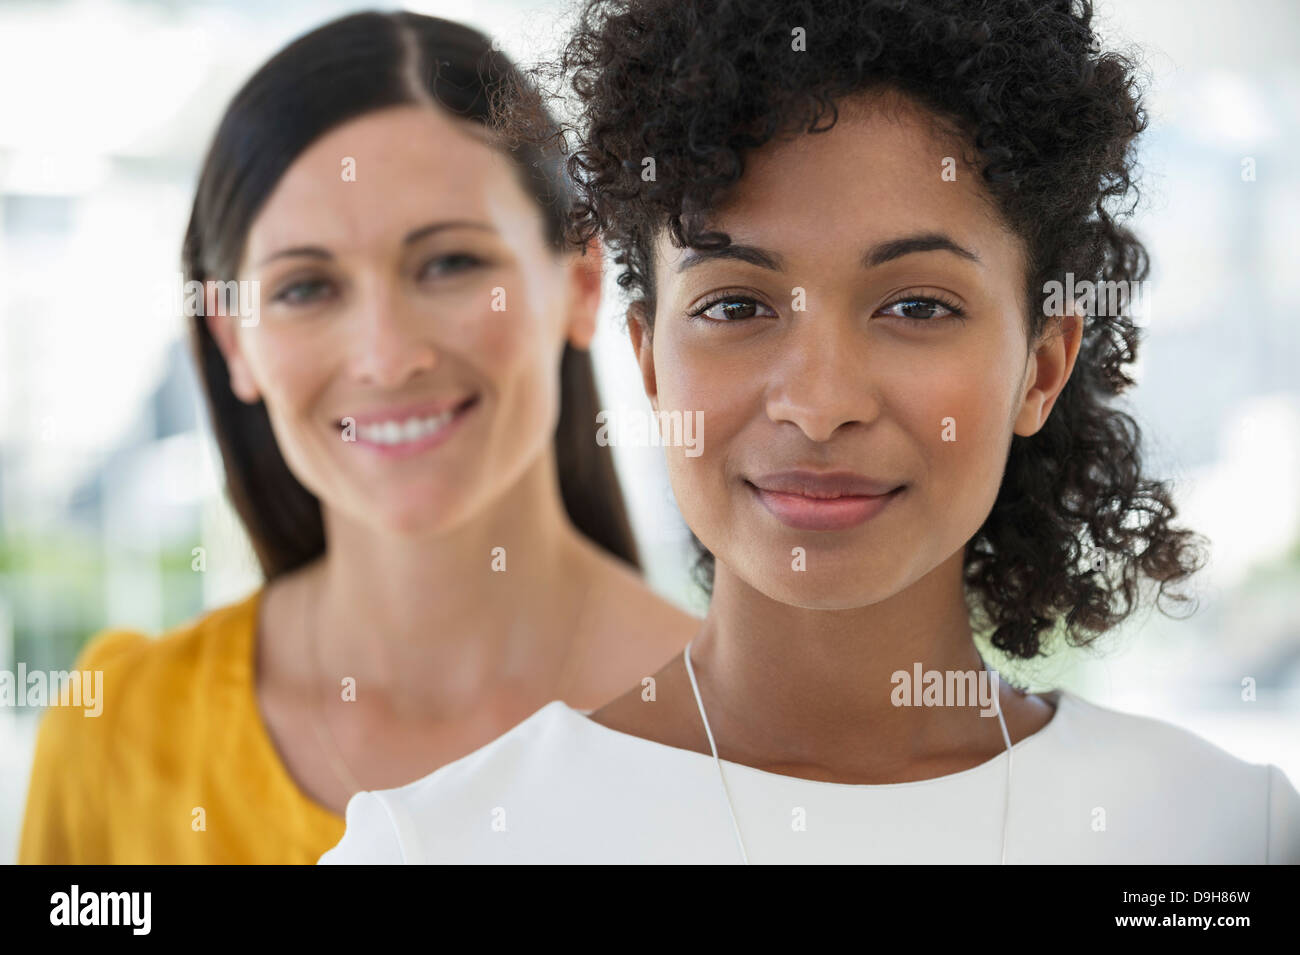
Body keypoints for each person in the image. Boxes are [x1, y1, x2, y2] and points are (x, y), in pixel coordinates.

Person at [318, 0, 1300, 864]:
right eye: (735, 305)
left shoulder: (1223, 833)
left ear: (1040, 366)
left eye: (916, 306)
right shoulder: (439, 848)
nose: (819, 401)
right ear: (651, 361)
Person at [19, 10, 698, 865]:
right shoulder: (117, 729)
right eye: (307, 287)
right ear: (235, 341)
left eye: (450, 263)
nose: (387, 357)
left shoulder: (731, 733)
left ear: (581, 281)